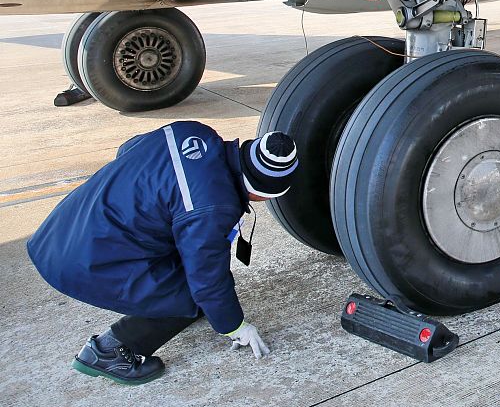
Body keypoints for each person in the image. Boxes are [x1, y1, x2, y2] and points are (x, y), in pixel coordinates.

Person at [27, 122, 298, 385]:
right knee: (194, 294)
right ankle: (107, 351)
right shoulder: (214, 205)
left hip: (65, 227)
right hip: (83, 260)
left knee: (192, 269)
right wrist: (235, 326)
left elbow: (128, 148)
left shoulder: (192, 132)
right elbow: (207, 281)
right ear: (263, 195)